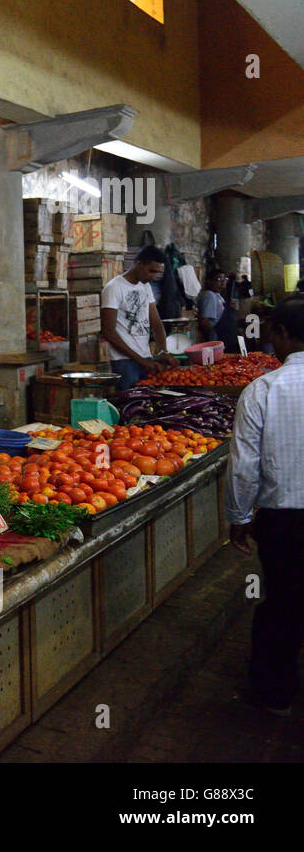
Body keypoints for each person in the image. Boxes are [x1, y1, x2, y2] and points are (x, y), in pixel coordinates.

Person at [227, 295, 304, 716]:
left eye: (273, 331)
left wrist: (238, 519)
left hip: (283, 520)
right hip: (284, 517)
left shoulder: (263, 390)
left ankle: (275, 694)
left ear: (284, 334)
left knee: (285, 603)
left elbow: (244, 466)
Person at [100, 245, 178, 390]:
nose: (154, 277)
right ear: (138, 264)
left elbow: (156, 323)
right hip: (124, 362)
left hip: (145, 358)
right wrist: (141, 361)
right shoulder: (114, 288)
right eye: (151, 271)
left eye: (157, 273)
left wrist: (163, 352)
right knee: (131, 404)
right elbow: (108, 332)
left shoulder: (145, 286)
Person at [196, 269, 239, 355]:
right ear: (209, 281)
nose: (223, 283)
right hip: (218, 341)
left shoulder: (218, 296)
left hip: (227, 340)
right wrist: (211, 344)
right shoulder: (209, 295)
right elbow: (205, 322)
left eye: (225, 279)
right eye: (219, 279)